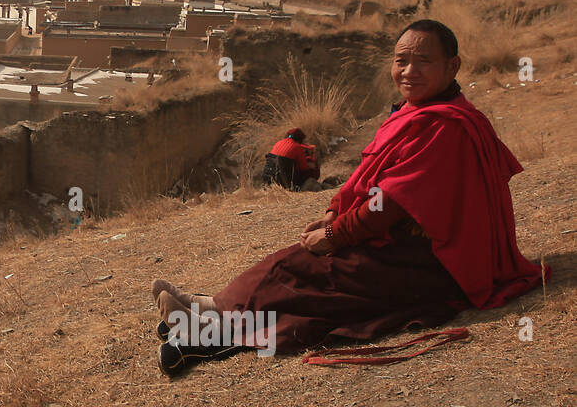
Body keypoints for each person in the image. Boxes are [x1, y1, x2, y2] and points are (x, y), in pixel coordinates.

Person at [152, 19, 550, 376]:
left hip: (432, 262)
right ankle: (209, 307)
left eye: (424, 61)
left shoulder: (446, 127)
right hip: (401, 242)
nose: (409, 72)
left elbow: (392, 201)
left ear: (453, 67)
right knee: (293, 263)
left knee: (308, 275)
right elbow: (367, 179)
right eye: (401, 61)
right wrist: (333, 213)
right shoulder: (416, 112)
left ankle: (206, 330)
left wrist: (336, 236)